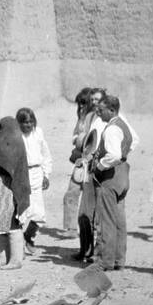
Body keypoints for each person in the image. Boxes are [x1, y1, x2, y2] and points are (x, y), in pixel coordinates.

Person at [89, 94, 138, 272]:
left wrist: (101, 166)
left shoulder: (111, 129)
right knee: (119, 220)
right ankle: (119, 260)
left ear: (111, 110)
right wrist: (123, 154)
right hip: (123, 173)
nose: (98, 113)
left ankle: (105, 261)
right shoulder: (122, 124)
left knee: (106, 220)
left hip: (110, 176)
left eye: (101, 110)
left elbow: (114, 155)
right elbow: (134, 141)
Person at [0, 117, 31, 270]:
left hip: (9, 187)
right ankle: (3, 258)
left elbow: (13, 168)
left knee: (12, 224)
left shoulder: (14, 143)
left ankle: (16, 260)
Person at [70, 87, 108, 262]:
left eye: (97, 100)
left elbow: (132, 140)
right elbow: (79, 137)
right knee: (83, 213)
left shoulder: (112, 120)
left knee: (97, 216)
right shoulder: (88, 117)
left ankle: (98, 254)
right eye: (92, 99)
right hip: (86, 167)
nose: (94, 103)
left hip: (101, 170)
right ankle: (85, 250)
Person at [16, 108, 53, 247]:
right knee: (21, 213)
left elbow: (46, 154)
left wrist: (46, 174)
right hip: (22, 175)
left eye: (31, 122)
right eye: (25, 122)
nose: (28, 125)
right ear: (19, 123)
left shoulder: (38, 133)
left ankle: (29, 236)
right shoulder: (16, 135)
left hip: (37, 173)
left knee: (39, 214)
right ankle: (18, 245)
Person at [62, 88, 94, 234]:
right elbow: (75, 136)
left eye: (83, 103)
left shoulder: (96, 118)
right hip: (81, 160)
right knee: (72, 192)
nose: (80, 107)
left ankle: (88, 229)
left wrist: (83, 139)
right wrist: (79, 139)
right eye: (79, 104)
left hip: (92, 162)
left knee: (89, 197)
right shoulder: (81, 116)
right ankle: (71, 227)